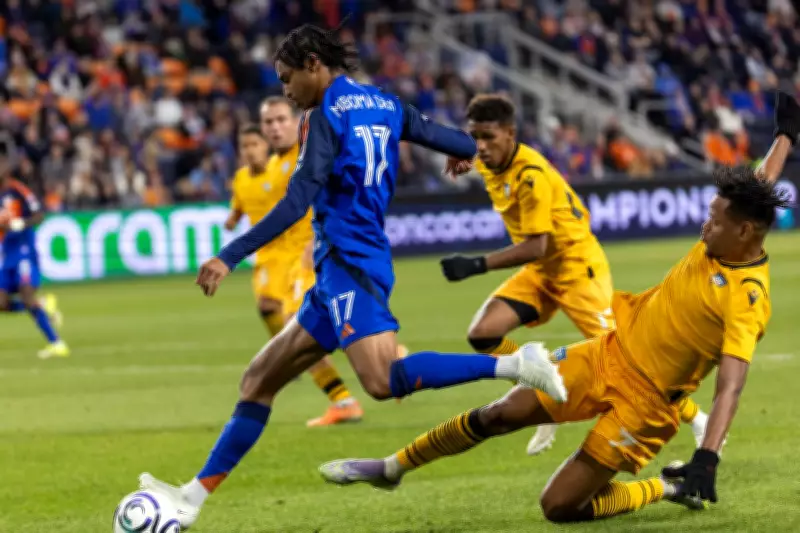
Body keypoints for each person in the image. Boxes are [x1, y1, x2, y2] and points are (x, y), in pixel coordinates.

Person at [138, 23, 566, 529]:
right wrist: (464, 152)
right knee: (257, 380)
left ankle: (519, 367)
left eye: (287, 78)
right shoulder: (383, 103)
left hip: (350, 263)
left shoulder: (321, 117)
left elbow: (297, 201)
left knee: (382, 381)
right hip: (339, 269)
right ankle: (191, 497)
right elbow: (450, 138)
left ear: (313, 64)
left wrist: (229, 255)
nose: (286, 91)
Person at [319, 92, 799, 522]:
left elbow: (731, 387)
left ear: (746, 233)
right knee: (499, 415)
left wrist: (707, 458)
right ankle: (392, 467)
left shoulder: (748, 298)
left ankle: (667, 485)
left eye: (713, 223)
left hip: (646, 405)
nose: (702, 227)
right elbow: (759, 185)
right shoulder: (727, 234)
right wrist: (785, 135)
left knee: (560, 507)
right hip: (605, 353)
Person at [440, 94, 712, 455]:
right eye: (474, 137)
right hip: (542, 273)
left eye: (488, 137)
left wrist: (476, 265)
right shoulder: (487, 157)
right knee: (483, 333)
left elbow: (536, 245)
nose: (481, 146)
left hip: (577, 269)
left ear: (510, 133)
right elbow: (465, 149)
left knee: (629, 360)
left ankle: (698, 419)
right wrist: (456, 150)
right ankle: (543, 379)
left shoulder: (530, 175)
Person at [227, 98, 365, 428]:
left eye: (280, 120)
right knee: (289, 323)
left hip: (314, 252)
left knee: (298, 328)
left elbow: (345, 189)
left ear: (293, 120)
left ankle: (356, 387)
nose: (274, 128)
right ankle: (362, 381)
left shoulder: (312, 150)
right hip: (284, 256)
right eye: (268, 122)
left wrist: (324, 237)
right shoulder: (272, 169)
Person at [0, 146, 67, 358]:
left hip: (23, 251)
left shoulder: (17, 190)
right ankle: (44, 304)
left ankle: (57, 344)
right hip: (5, 253)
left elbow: (39, 214)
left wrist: (22, 223)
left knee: (27, 295)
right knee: (1, 303)